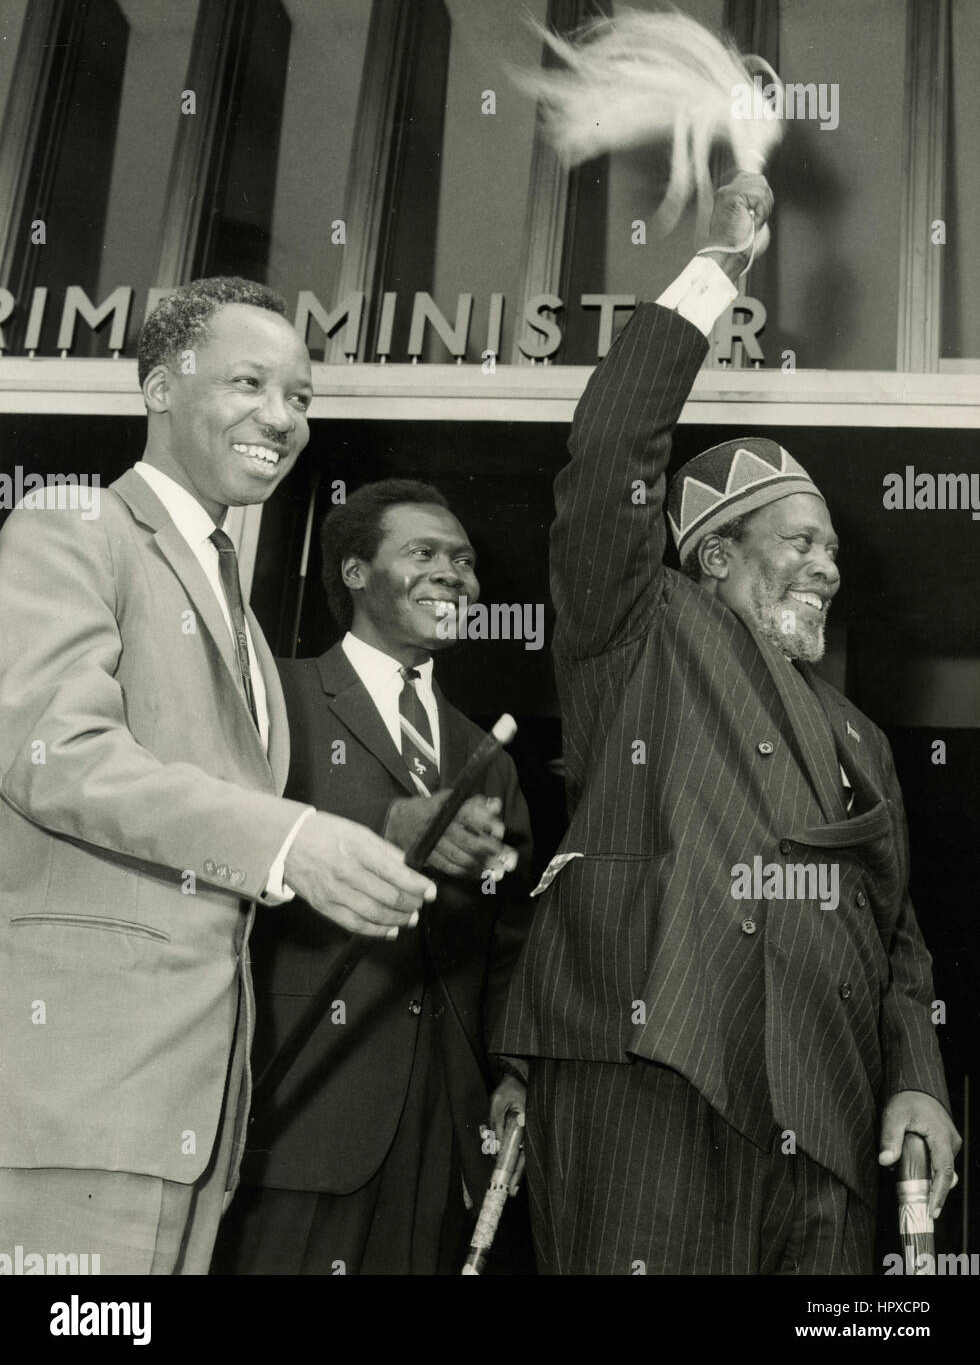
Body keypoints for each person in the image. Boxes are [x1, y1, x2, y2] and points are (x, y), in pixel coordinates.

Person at [495, 174, 961, 1275]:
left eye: (833, 550)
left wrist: (916, 1079)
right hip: (653, 1072)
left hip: (827, 1127)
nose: (825, 567)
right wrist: (714, 272)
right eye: (796, 541)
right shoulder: (641, 638)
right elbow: (610, 455)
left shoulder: (859, 739)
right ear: (708, 557)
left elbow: (897, 942)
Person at [0, 279, 433, 1275]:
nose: (280, 417)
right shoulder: (73, 523)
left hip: (189, 1115)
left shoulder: (232, 600)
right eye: (249, 382)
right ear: (159, 385)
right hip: (80, 1095)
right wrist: (287, 839)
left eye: (300, 396)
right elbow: (53, 754)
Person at [214, 479, 533, 1275]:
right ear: (355, 572)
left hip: (442, 1132)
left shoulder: (485, 753)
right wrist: (377, 832)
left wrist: (516, 1071)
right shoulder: (277, 698)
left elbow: (511, 943)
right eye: (423, 552)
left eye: (463, 561)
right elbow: (218, 857)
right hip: (299, 1108)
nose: (454, 575)